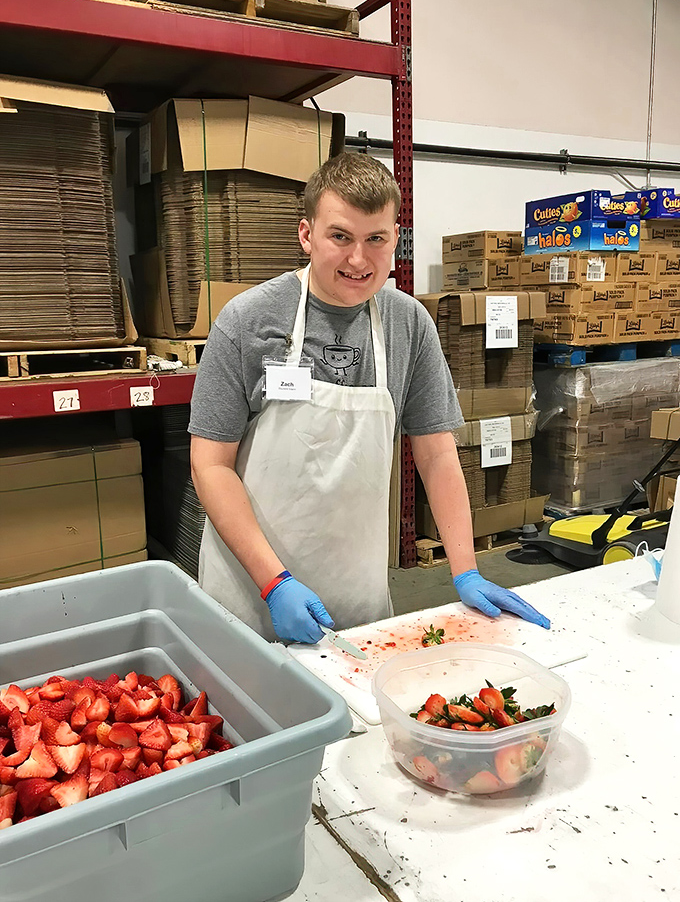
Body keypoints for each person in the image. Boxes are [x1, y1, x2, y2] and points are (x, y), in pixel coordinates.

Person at [189, 152, 549, 643]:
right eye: (340, 237)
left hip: (356, 596)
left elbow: (437, 453)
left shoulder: (409, 325)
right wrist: (274, 583)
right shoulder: (246, 321)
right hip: (251, 592)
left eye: (375, 239)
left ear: (395, 239)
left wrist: (465, 570)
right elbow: (210, 466)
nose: (358, 260)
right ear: (306, 235)